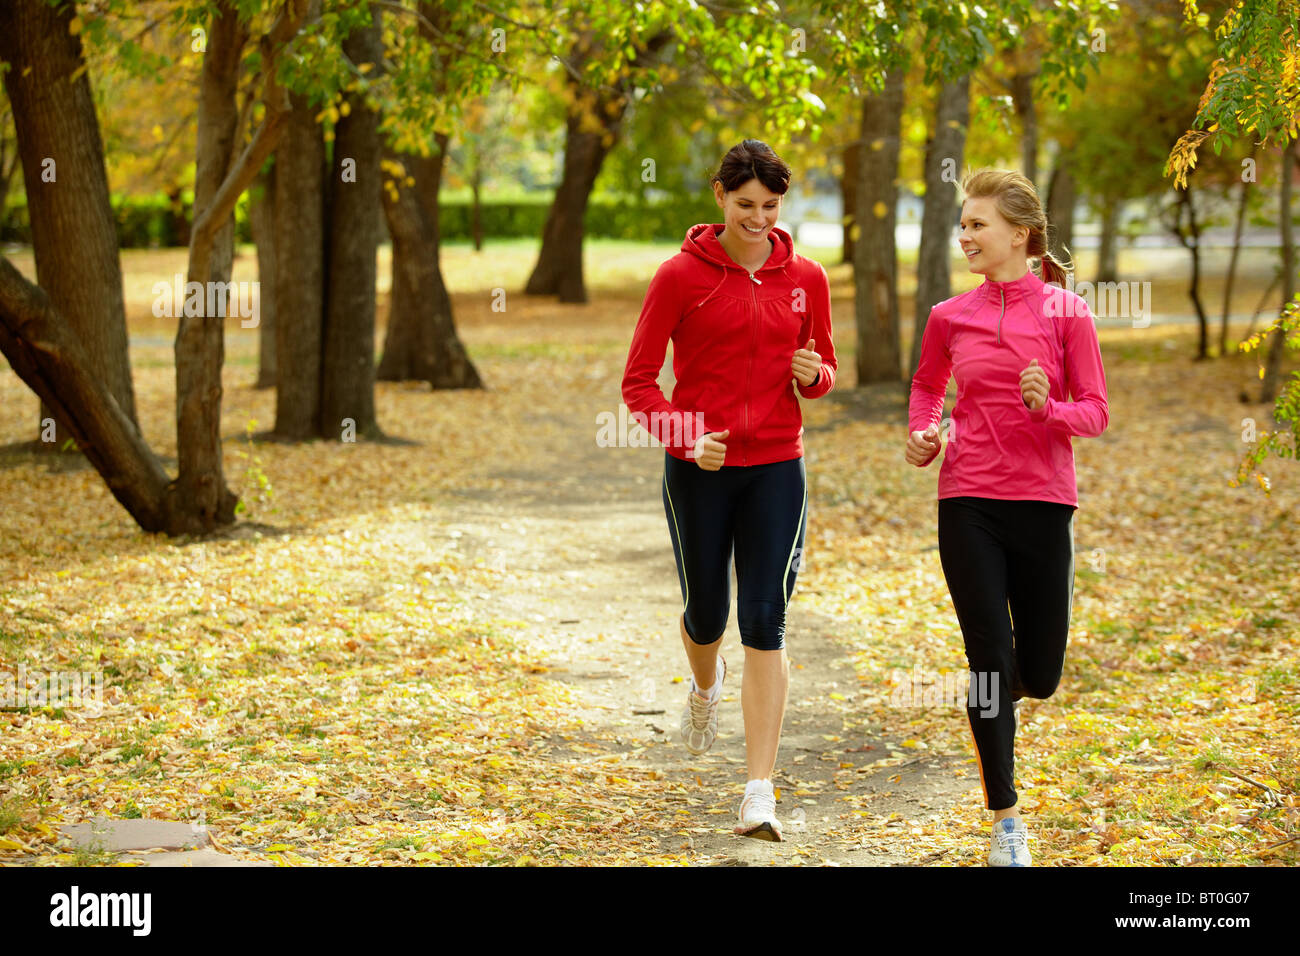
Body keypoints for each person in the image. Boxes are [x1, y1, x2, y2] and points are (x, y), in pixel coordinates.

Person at [621, 139, 837, 841]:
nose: (759, 219)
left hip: (777, 463)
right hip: (700, 469)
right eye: (746, 205)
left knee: (764, 620)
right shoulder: (678, 277)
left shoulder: (806, 276)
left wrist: (814, 376)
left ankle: (759, 793)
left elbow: (827, 368)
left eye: (771, 207)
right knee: (707, 613)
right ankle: (705, 687)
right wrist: (687, 435)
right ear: (719, 195)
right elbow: (639, 383)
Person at [907, 168, 1109, 866]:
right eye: (962, 225)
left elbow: (1097, 410)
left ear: (1018, 234)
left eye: (976, 225)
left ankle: (988, 692)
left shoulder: (1066, 313)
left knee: (1042, 674)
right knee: (989, 658)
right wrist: (924, 432)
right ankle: (1006, 821)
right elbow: (929, 385)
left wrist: (1046, 408)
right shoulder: (948, 316)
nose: (964, 236)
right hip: (967, 502)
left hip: (1044, 503)